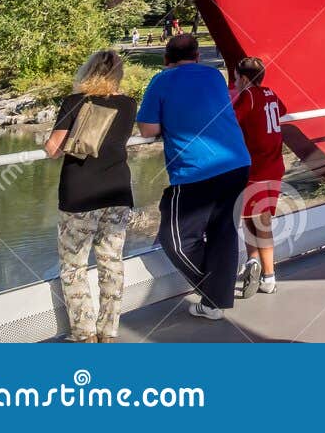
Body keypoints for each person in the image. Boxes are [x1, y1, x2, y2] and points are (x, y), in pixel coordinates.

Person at [136, 33, 251, 321]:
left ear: (166, 60)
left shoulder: (161, 80)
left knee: (174, 238)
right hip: (236, 162)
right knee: (223, 234)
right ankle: (217, 298)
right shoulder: (213, 76)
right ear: (198, 56)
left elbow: (148, 130)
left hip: (195, 171)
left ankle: (214, 293)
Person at [44, 50, 136, 343]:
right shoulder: (129, 104)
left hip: (80, 194)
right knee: (112, 262)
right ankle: (108, 331)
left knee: (74, 266)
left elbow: (53, 148)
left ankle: (83, 333)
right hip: (118, 191)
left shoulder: (75, 102)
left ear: (88, 71)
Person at [231, 57, 286, 299]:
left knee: (258, 221)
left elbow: (232, 121)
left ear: (243, 78)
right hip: (273, 164)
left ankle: (268, 275)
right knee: (251, 217)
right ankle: (254, 265)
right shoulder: (269, 92)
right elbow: (280, 111)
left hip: (256, 167)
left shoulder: (248, 96)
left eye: (235, 78)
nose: (234, 82)